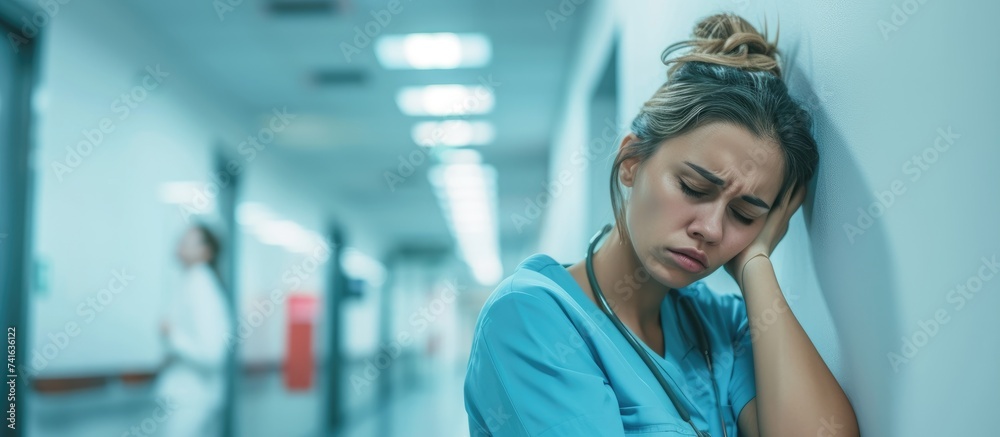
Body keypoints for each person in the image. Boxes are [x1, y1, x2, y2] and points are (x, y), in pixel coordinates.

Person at [464, 13, 860, 437]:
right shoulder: (530, 318)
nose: (711, 228)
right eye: (693, 187)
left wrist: (756, 265)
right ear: (632, 161)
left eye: (744, 214)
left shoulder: (726, 325)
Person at [155, 224, 233, 436]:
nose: (180, 245)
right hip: (186, 395)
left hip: (192, 396)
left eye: (189, 241)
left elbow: (212, 354)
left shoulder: (201, 284)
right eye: (182, 239)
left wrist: (172, 336)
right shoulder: (191, 281)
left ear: (206, 252)